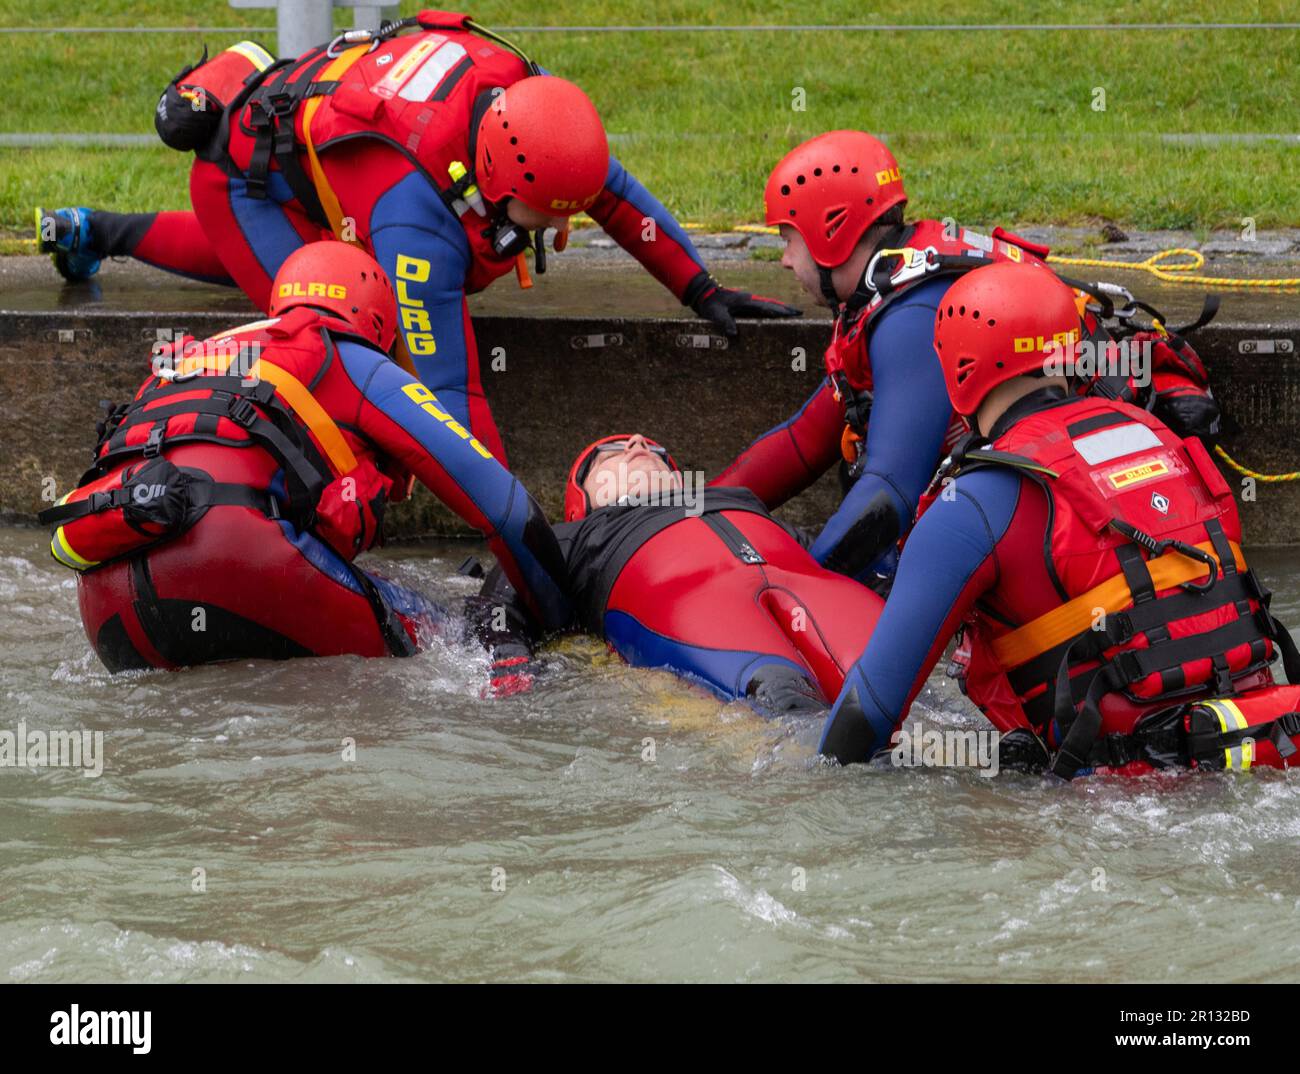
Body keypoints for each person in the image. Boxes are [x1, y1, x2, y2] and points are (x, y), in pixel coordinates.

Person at [37, 17, 798, 463]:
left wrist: (703, 289)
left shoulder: (538, 121)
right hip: (241, 177)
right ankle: (105, 230)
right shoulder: (417, 225)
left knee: (328, 267)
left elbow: (617, 195)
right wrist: (507, 527)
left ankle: (97, 231)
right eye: (547, 216)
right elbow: (451, 394)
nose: (567, 227)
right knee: (326, 325)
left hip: (325, 154)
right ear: (493, 184)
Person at [818, 260, 1300, 778]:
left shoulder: (970, 504)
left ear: (957, 370)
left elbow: (866, 713)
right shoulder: (1156, 435)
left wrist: (812, 781)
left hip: (1117, 799)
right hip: (1264, 741)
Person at [713, 130, 1218, 587]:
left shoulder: (910, 314)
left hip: (1101, 517)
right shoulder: (888, 290)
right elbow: (806, 439)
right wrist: (698, 506)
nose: (782, 260)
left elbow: (888, 497)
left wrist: (795, 591)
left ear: (831, 229)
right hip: (1086, 488)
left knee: (891, 556)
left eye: (787, 239)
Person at [39, 242, 570, 671]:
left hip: (109, 608)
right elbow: (502, 504)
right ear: (378, 322)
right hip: (240, 562)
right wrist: (563, 623)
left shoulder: (189, 359)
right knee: (463, 638)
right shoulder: (351, 356)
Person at [469, 434, 884, 713]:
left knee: (894, 691)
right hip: (696, 603)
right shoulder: (575, 536)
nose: (635, 443)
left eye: (653, 449)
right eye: (610, 451)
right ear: (583, 502)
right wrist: (508, 654)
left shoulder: (741, 501)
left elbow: (840, 562)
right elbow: (503, 594)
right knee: (782, 699)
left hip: (806, 585)